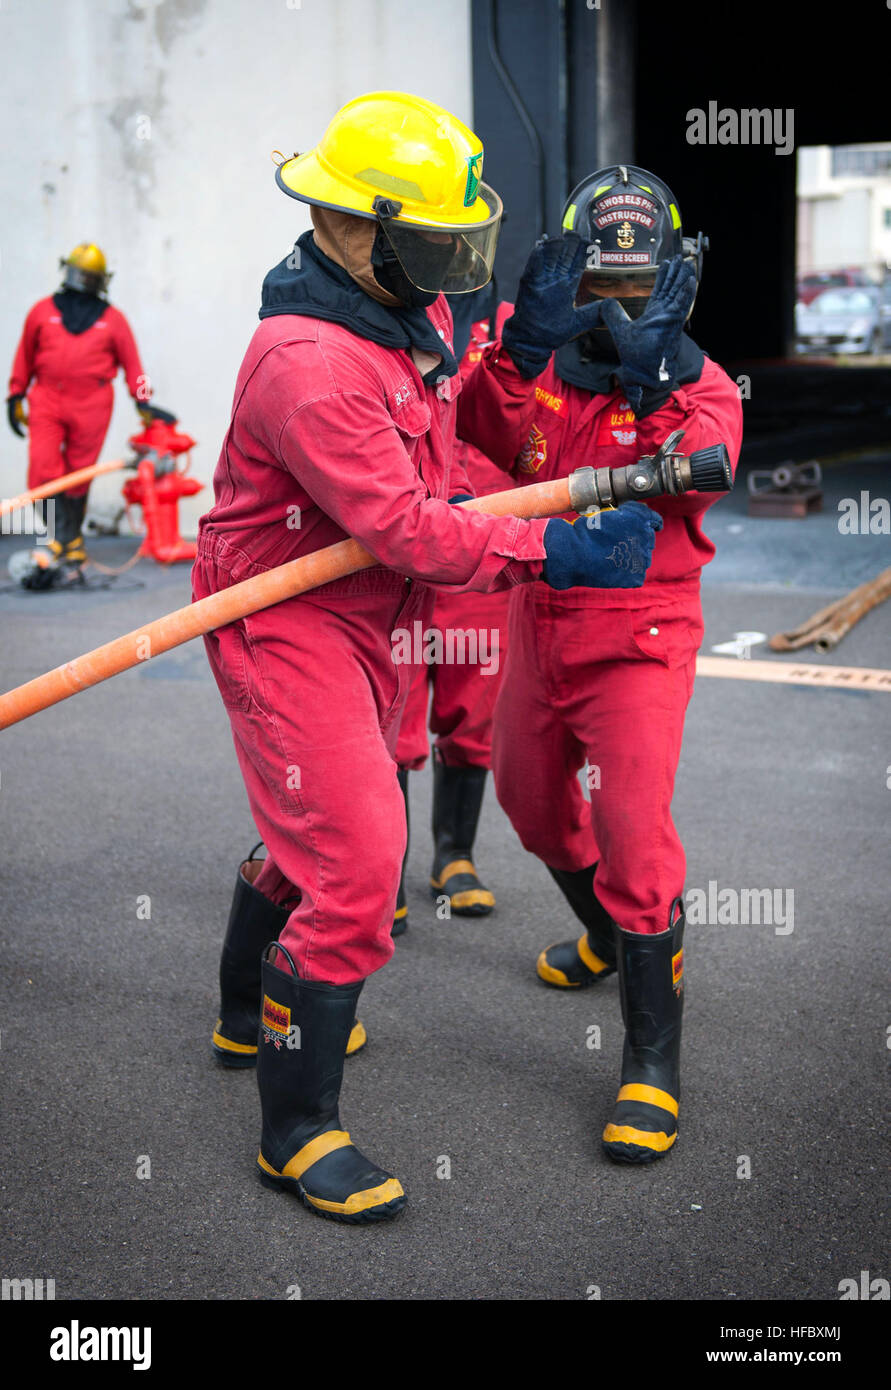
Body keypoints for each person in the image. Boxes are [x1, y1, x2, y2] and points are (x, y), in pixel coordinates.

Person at [192, 95, 663, 1224]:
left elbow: (447, 465)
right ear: (360, 227)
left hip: (368, 606)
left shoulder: (403, 321)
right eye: (436, 241)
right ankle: (295, 1131)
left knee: (325, 825)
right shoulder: (308, 359)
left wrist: (535, 453)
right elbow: (411, 522)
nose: (456, 265)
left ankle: (245, 1010)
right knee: (358, 860)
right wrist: (548, 545)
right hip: (284, 614)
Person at [457, 164, 743, 1164]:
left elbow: (697, 484)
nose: (616, 310)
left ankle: (650, 1064)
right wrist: (520, 348)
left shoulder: (700, 383)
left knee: (632, 825)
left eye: (635, 287)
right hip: (543, 614)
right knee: (532, 804)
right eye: (600, 287)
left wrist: (657, 383)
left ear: (669, 281)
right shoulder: (540, 369)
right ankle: (606, 936)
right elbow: (481, 439)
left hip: (643, 630)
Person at [393, 280, 515, 929]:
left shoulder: (517, 328)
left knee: (473, 714)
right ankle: (381, 868)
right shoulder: (389, 317)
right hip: (400, 549)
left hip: (482, 552)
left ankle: (454, 856)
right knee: (391, 716)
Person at [6, 243, 161, 587]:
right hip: (47, 399)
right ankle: (61, 538)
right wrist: (15, 393)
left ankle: (68, 543)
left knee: (78, 475)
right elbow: (24, 356)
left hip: (92, 404)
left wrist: (144, 400)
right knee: (44, 470)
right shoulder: (41, 312)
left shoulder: (113, 320)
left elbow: (135, 366)